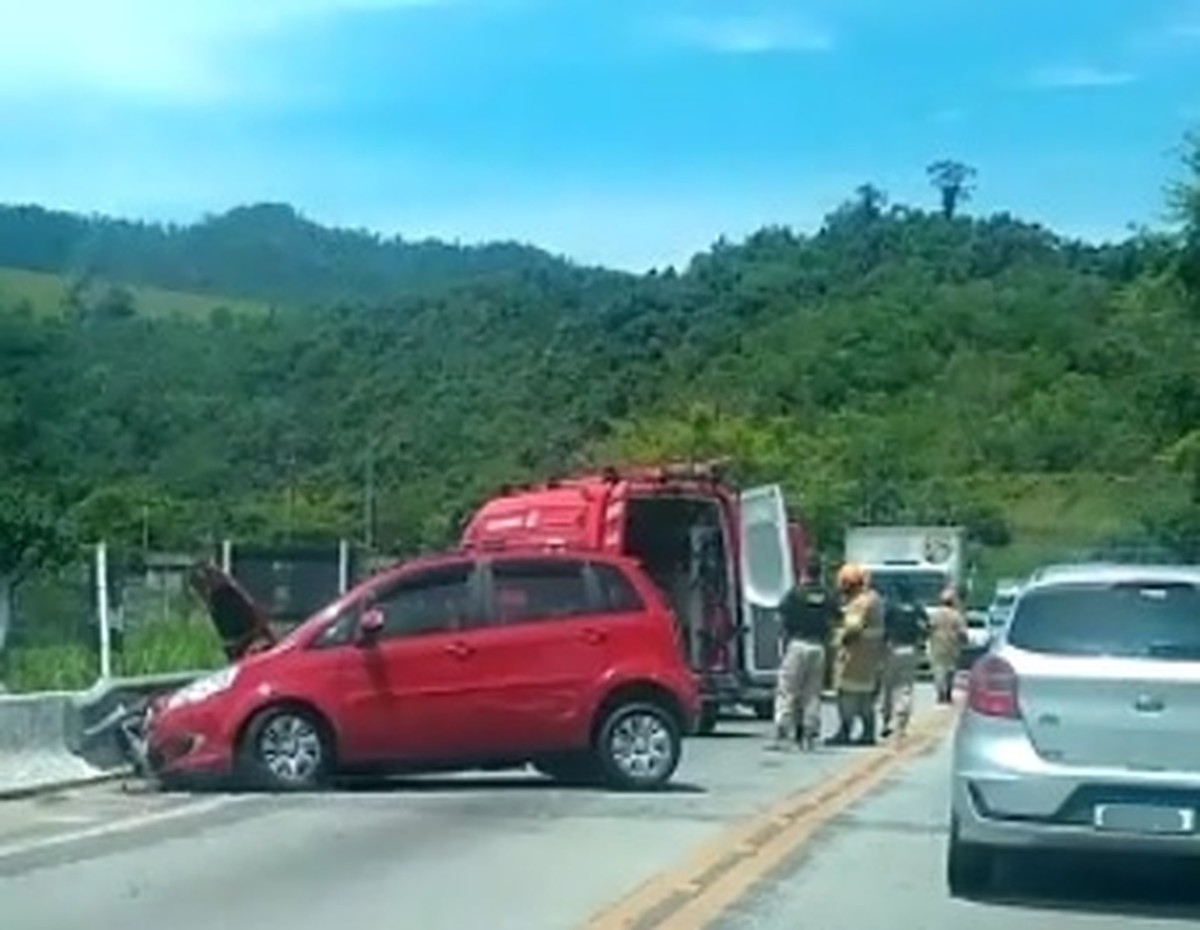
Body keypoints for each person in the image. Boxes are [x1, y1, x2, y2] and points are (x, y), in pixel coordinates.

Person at [769, 562, 838, 751]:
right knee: (812, 693)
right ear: (820, 573)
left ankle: (783, 733)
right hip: (818, 646)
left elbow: (780, 617)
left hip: (798, 644)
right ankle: (810, 733)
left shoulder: (795, 593)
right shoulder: (827, 595)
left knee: (788, 690)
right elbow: (837, 618)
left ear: (804, 571)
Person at [827, 563, 887, 746]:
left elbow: (852, 629)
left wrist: (838, 641)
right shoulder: (875, 598)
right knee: (865, 698)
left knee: (847, 696)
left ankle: (845, 731)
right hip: (871, 657)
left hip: (854, 657)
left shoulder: (859, 603)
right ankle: (868, 732)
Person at [880, 579, 928, 740]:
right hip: (911, 649)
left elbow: (884, 629)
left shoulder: (892, 608)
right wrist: (921, 642)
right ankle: (901, 724)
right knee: (905, 688)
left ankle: (886, 722)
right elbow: (926, 627)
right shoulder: (917, 609)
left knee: (888, 688)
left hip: (893, 649)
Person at [927, 586, 967, 703]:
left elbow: (929, 627)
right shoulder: (956, 615)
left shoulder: (935, 614)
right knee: (950, 669)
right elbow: (962, 632)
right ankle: (948, 692)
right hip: (952, 645)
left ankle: (940, 692)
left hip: (937, 644)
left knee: (938, 669)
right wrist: (964, 641)